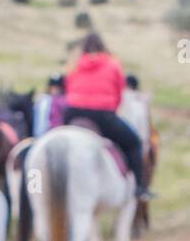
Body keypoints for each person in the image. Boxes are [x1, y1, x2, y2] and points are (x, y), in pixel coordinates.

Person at [63, 34, 152, 198]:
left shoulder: (73, 63)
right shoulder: (113, 63)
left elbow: (68, 88)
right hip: (102, 114)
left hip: (73, 113)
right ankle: (140, 187)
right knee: (134, 143)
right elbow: (120, 92)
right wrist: (113, 108)